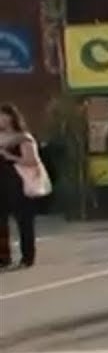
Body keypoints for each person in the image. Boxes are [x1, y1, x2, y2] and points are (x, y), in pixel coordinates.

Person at [0, 103, 40, 269]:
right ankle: (3, 257)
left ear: (11, 118)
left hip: (19, 182)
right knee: (0, 222)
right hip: (1, 184)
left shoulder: (23, 137)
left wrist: (9, 156)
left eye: (3, 116)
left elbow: (32, 161)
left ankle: (27, 257)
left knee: (24, 221)